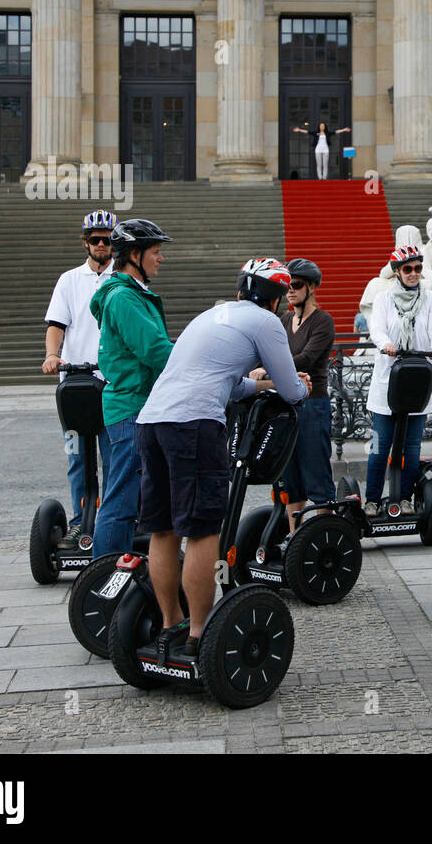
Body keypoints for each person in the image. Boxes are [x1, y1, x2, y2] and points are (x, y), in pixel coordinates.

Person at [135, 258, 309, 658]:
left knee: (163, 530)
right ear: (278, 300)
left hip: (153, 420)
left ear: (240, 291)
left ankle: (168, 624)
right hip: (194, 425)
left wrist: (256, 384)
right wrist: (298, 385)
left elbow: (226, 381)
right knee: (201, 530)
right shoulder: (266, 322)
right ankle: (198, 635)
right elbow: (290, 390)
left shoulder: (212, 315)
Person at [88, 219, 174, 558]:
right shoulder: (124, 298)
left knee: (129, 497)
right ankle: (104, 580)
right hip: (131, 407)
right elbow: (155, 352)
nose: (161, 259)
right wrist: (198, 365)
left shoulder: (132, 295)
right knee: (121, 500)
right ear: (135, 255)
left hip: (138, 406)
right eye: (156, 252)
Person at [42, 210, 117, 550]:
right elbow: (57, 325)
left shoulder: (125, 280)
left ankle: (112, 522)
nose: (102, 245)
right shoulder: (69, 280)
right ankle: (79, 522)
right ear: (85, 242)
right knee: (77, 459)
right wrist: (52, 355)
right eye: (95, 239)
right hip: (75, 384)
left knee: (114, 456)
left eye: (108, 239)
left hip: (113, 383)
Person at [365, 246, 432, 516]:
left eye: (418, 268)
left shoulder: (431, 298)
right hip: (388, 381)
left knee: (412, 446)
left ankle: (405, 499)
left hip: (417, 380)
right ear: (397, 272)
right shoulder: (384, 299)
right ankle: (372, 500)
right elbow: (376, 328)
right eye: (407, 269)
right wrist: (386, 343)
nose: (414, 274)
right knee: (379, 446)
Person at [259, 258, 336, 530]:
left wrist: (268, 367)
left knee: (316, 468)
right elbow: (271, 350)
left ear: (312, 287)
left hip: (313, 404)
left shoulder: (323, 321)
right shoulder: (284, 318)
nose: (290, 290)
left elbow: (307, 358)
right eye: (287, 286)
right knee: (289, 474)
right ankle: (295, 537)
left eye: (297, 285)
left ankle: (324, 532)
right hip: (287, 402)